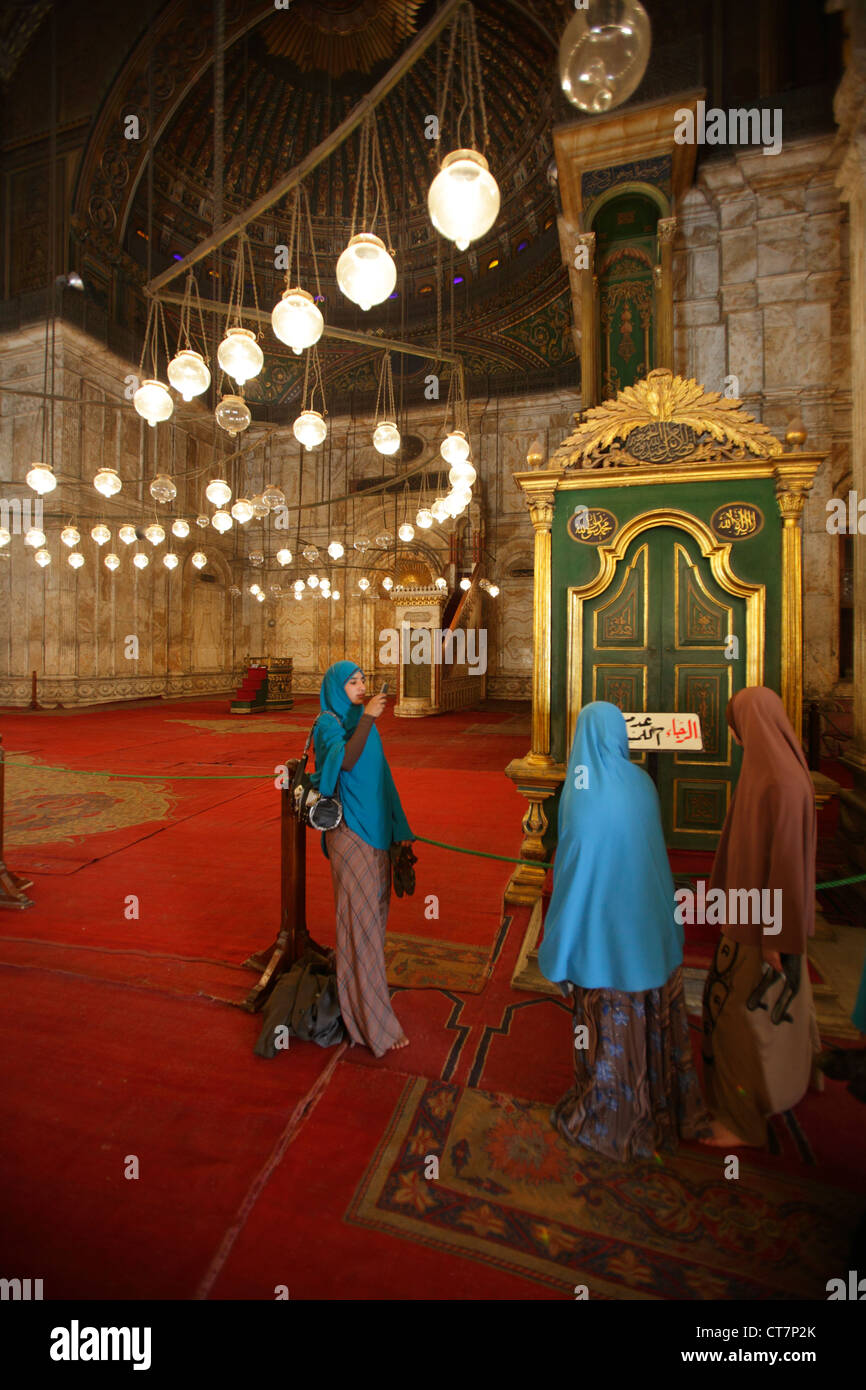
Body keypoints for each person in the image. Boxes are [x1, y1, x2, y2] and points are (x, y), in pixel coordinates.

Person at [538, 701, 710, 1161]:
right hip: (651, 934)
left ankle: (609, 1121)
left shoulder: (582, 794)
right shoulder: (642, 783)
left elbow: (574, 874)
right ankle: (660, 1107)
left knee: (607, 1035)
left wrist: (557, 946)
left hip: (604, 944)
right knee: (652, 1023)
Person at [701, 686, 821, 1147]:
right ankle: (789, 1084)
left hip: (761, 926)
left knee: (738, 1021)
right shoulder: (770, 768)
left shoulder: (780, 782)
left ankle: (737, 1121)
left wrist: (776, 938)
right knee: (776, 1015)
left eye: (733, 722)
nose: (732, 733)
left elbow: (787, 869)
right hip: (750, 916)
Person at [311, 660, 414, 1057]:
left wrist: (400, 831)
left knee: (373, 922)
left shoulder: (360, 722)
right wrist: (368, 718)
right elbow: (344, 762)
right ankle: (372, 1023)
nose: (360, 686)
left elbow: (383, 778)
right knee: (361, 927)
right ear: (337, 686)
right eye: (352, 682)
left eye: (363, 680)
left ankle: (362, 1001)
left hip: (376, 834)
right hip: (349, 834)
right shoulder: (328, 724)